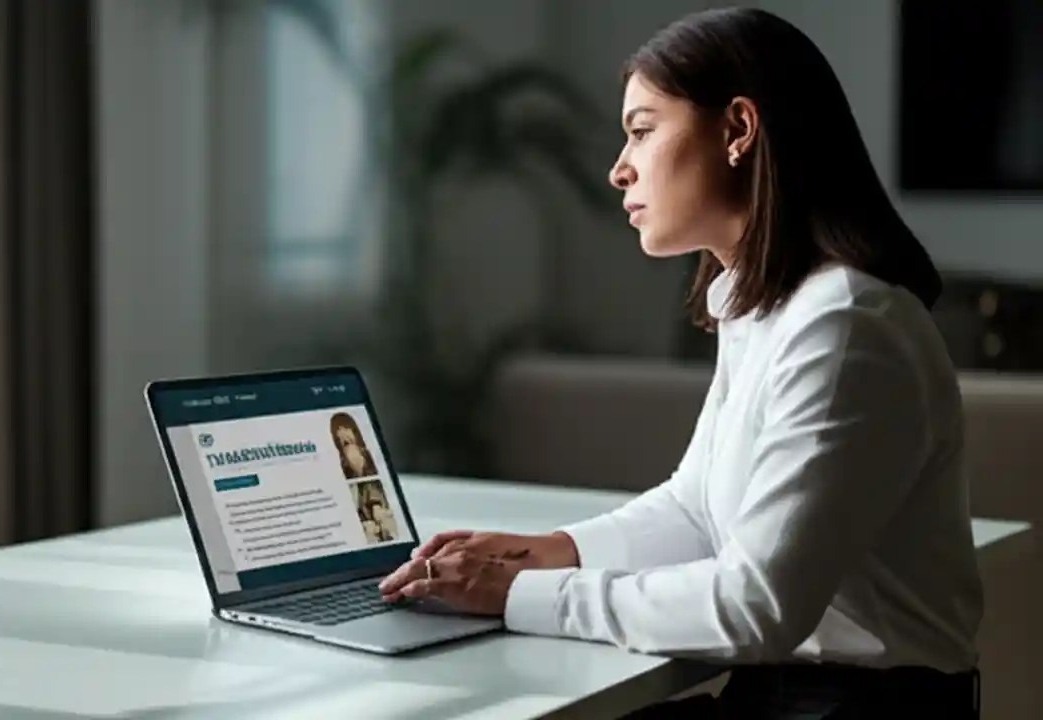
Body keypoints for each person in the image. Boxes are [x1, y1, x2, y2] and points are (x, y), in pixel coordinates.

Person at [378, 8, 983, 718]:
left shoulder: (844, 328)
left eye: (642, 129)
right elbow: (696, 509)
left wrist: (512, 594)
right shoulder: (767, 308)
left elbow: (755, 607)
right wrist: (547, 552)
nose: (618, 167)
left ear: (737, 131)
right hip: (791, 696)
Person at [331, 412, 379, 479]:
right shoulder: (342, 464)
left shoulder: (370, 454)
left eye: (345, 428)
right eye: (338, 432)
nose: (342, 434)